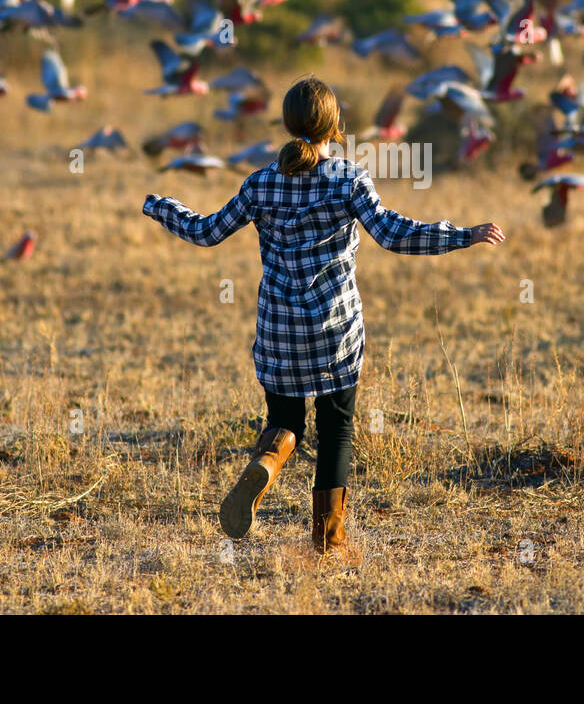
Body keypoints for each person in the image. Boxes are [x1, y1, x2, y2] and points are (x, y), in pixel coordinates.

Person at [142, 75, 505, 563]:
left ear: (287, 124)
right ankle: (328, 543)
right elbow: (395, 235)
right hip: (335, 332)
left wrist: (160, 206)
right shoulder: (349, 179)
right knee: (336, 430)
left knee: (285, 421)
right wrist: (462, 234)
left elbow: (206, 232)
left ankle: (269, 462)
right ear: (335, 126)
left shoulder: (261, 182)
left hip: (279, 332)